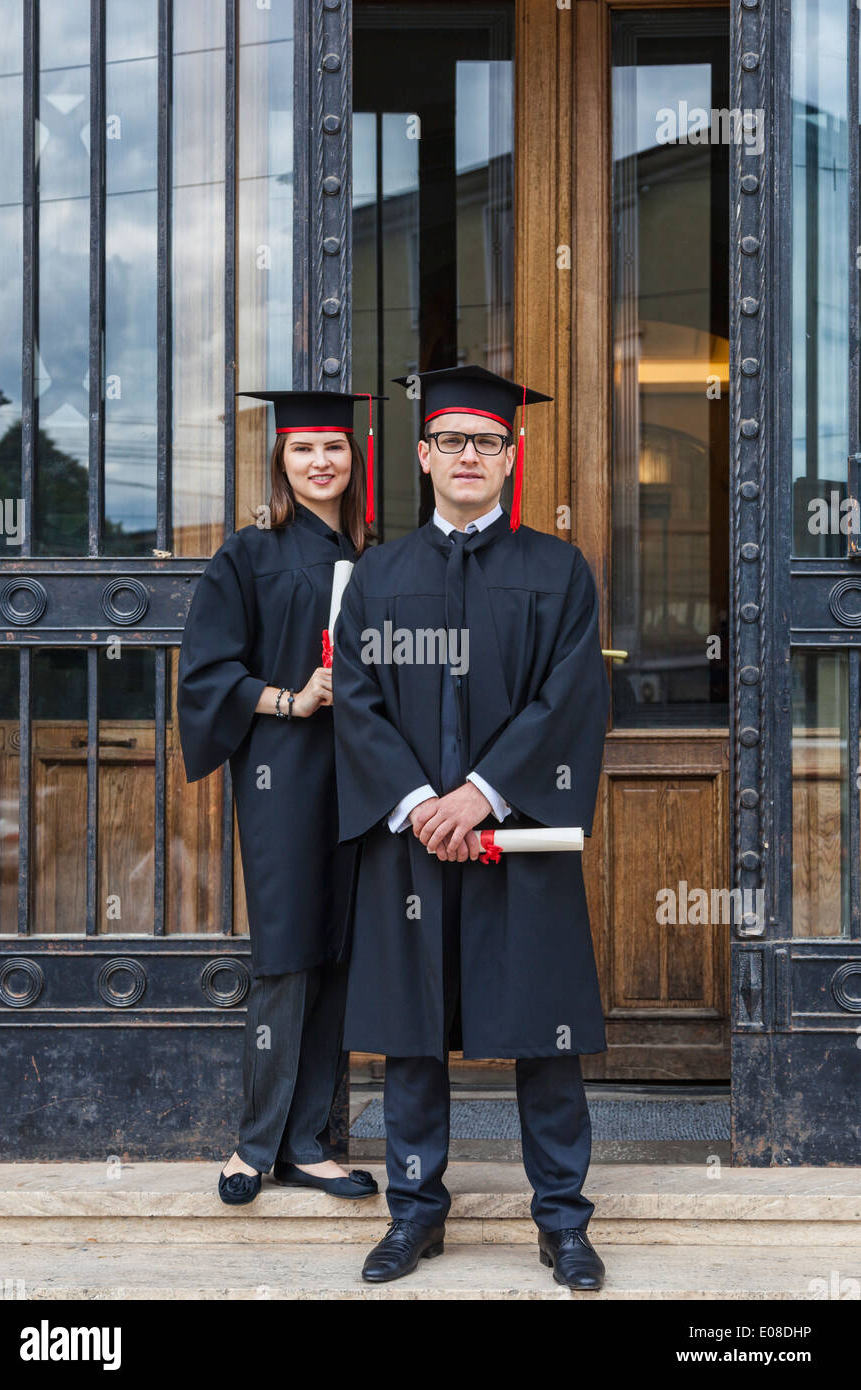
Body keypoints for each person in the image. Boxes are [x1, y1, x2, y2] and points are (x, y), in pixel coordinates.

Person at [331, 364, 610, 1287]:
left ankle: (562, 1220)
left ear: (509, 457)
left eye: (486, 442)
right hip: (413, 839)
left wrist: (482, 793)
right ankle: (414, 1213)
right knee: (411, 1033)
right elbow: (357, 704)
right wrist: (418, 804)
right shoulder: (379, 575)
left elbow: (569, 699)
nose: (467, 457)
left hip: (515, 833)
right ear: (421, 456)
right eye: (450, 440)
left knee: (543, 1034)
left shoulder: (557, 570)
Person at [177, 389, 382, 1205]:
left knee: (336, 952)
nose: (319, 463)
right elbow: (208, 673)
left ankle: (308, 1144)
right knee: (287, 953)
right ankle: (253, 1144)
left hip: (362, 776)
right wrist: (296, 699)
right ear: (281, 462)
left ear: (352, 461)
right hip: (283, 774)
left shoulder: (376, 560)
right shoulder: (248, 553)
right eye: (302, 452)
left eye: (332, 449)